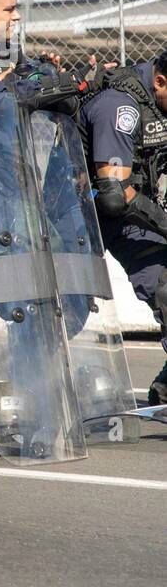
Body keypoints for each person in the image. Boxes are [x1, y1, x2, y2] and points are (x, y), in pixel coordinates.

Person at [82, 51, 167, 404]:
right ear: (160, 81)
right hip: (81, 214)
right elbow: (117, 195)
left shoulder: (160, 101)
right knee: (63, 313)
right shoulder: (121, 106)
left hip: (131, 213)